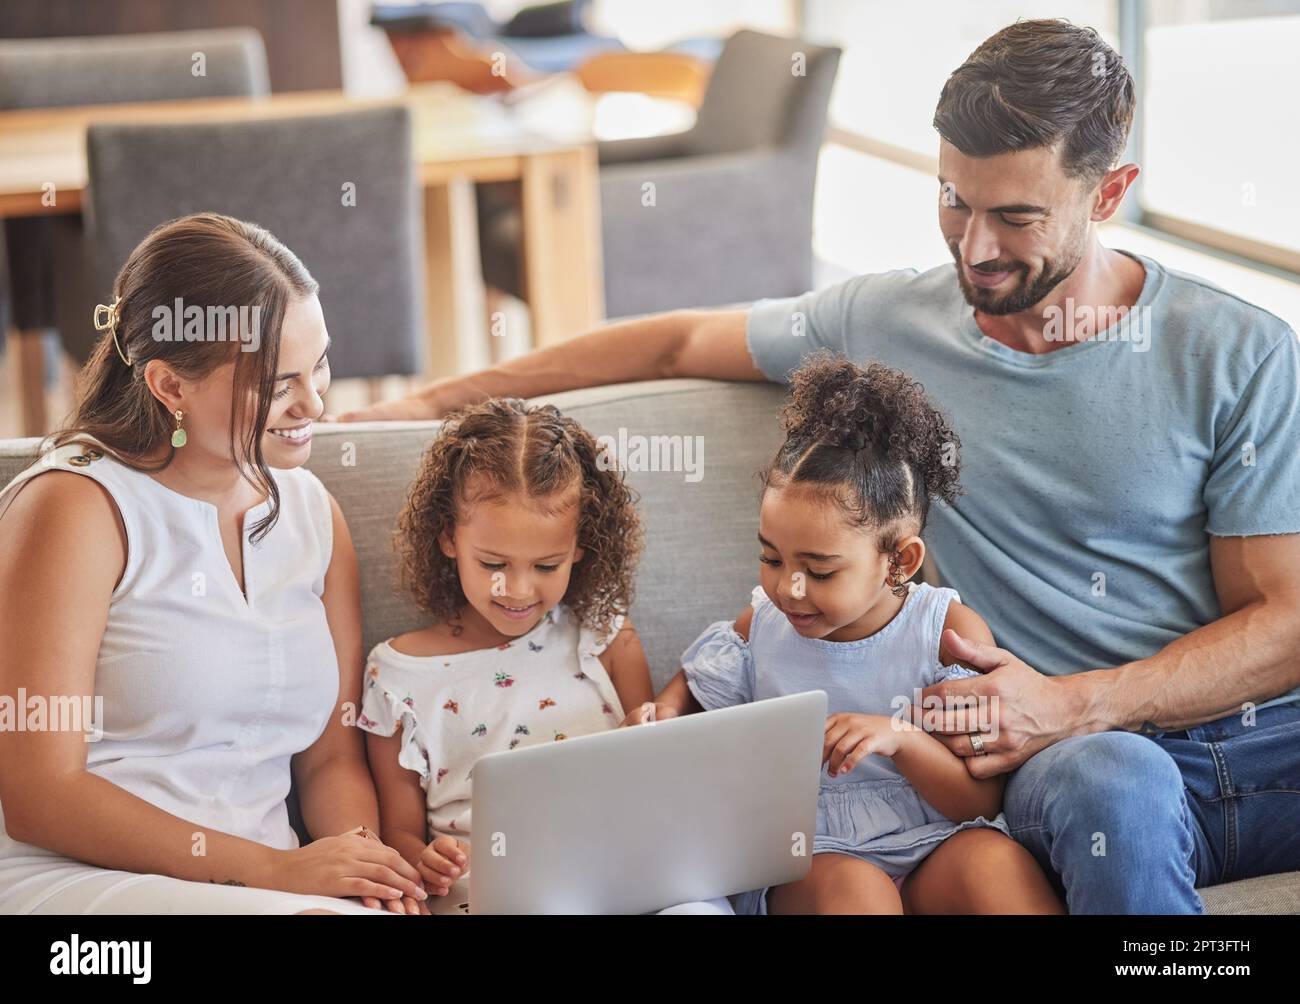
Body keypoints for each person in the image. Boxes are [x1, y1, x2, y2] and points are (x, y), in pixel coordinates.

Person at [334, 20, 1300, 913]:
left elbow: (1284, 621)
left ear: (1110, 194)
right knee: (1114, 781)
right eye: (952, 200)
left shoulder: (1236, 351)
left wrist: (1076, 698)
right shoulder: (888, 322)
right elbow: (673, 345)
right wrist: (428, 402)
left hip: (1258, 738)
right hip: (1093, 764)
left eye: (1015, 216)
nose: (975, 248)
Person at [0, 213, 426, 915]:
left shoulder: (313, 514)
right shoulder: (75, 508)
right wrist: (273, 871)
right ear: (170, 386)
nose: (314, 402)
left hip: (270, 891)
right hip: (79, 881)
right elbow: (41, 795)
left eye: (318, 362)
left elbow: (330, 760)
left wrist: (365, 867)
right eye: (277, 381)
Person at [650, 352, 1064, 915]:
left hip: (930, 838)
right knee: (859, 896)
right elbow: (693, 691)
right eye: (771, 558)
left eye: (820, 571)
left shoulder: (947, 632)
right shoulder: (763, 624)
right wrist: (661, 716)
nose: (790, 587)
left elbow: (979, 799)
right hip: (809, 853)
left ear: (900, 561)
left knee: (996, 865)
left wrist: (901, 737)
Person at [359, 396, 732, 914]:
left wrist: (645, 739)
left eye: (546, 565)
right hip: (501, 897)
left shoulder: (605, 637)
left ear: (579, 547)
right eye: (493, 563)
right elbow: (397, 834)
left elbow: (656, 780)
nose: (518, 590)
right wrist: (427, 860)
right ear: (448, 537)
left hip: (626, 875)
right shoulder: (397, 676)